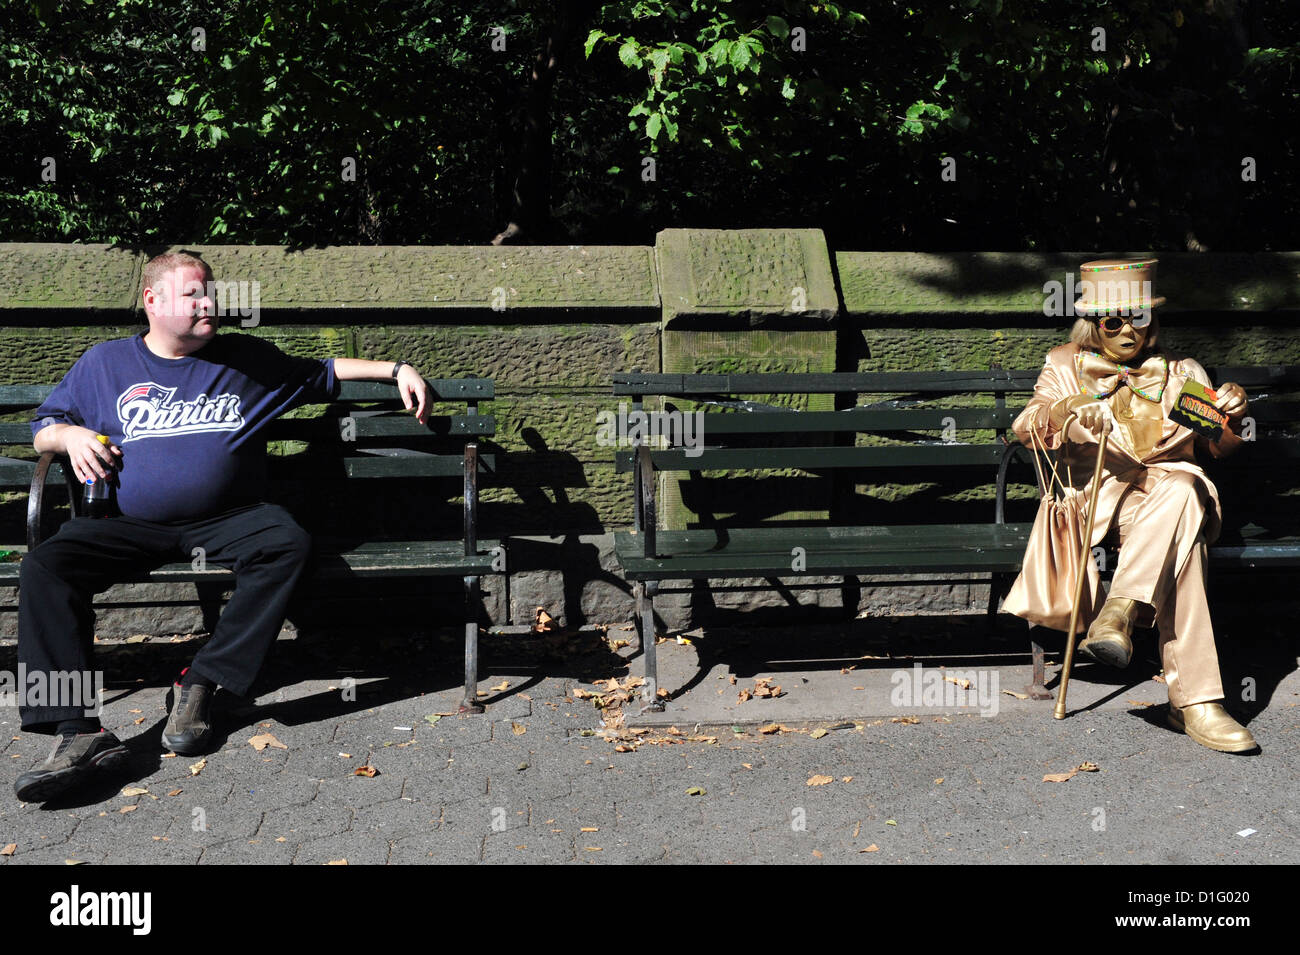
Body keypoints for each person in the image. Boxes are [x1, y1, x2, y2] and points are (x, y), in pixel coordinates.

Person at [14, 251, 432, 801]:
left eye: (210, 291)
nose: (208, 301)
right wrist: (67, 437)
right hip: (129, 522)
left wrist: (397, 369)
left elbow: (324, 373)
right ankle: (77, 732)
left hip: (229, 519)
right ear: (153, 302)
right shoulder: (104, 364)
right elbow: (44, 426)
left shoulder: (245, 359)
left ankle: (201, 682)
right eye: (192, 294)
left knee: (287, 544)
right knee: (46, 566)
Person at [1008, 258, 1257, 753]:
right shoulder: (1066, 364)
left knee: (1184, 487)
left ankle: (1118, 614)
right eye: (1113, 320)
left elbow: (1218, 449)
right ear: (1093, 324)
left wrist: (1233, 414)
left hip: (1170, 493)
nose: (1127, 331)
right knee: (1186, 540)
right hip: (1101, 502)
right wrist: (1072, 408)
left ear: (1152, 320)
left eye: (1137, 318)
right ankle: (1195, 704)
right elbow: (1028, 427)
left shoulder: (1181, 372)